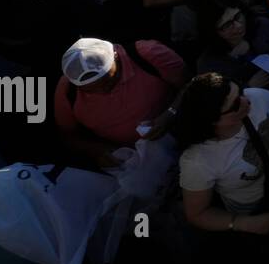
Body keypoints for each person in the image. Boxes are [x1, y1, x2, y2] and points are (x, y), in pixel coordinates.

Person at [173, 74, 269, 248]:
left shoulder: (255, 97)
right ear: (212, 120)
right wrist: (244, 223)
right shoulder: (198, 161)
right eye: (235, 105)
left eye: (240, 92)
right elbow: (197, 214)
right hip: (261, 210)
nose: (246, 101)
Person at [53, 36, 188, 169]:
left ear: (116, 57)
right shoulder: (67, 90)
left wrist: (170, 114)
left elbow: (192, 85)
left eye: (108, 82)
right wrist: (100, 151)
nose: (103, 91)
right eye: (90, 90)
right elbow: (69, 136)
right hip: (132, 163)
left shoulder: (148, 54)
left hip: (184, 138)